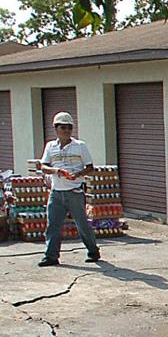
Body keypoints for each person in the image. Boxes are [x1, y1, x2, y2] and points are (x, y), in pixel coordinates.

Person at [37, 111, 100, 266]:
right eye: (63, 127)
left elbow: (90, 167)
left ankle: (93, 251)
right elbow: (43, 166)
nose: (66, 131)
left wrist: (78, 174)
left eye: (69, 128)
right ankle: (51, 256)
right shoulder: (50, 146)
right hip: (56, 192)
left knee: (82, 224)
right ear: (56, 129)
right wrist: (56, 171)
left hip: (74, 191)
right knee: (53, 225)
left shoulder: (80, 146)